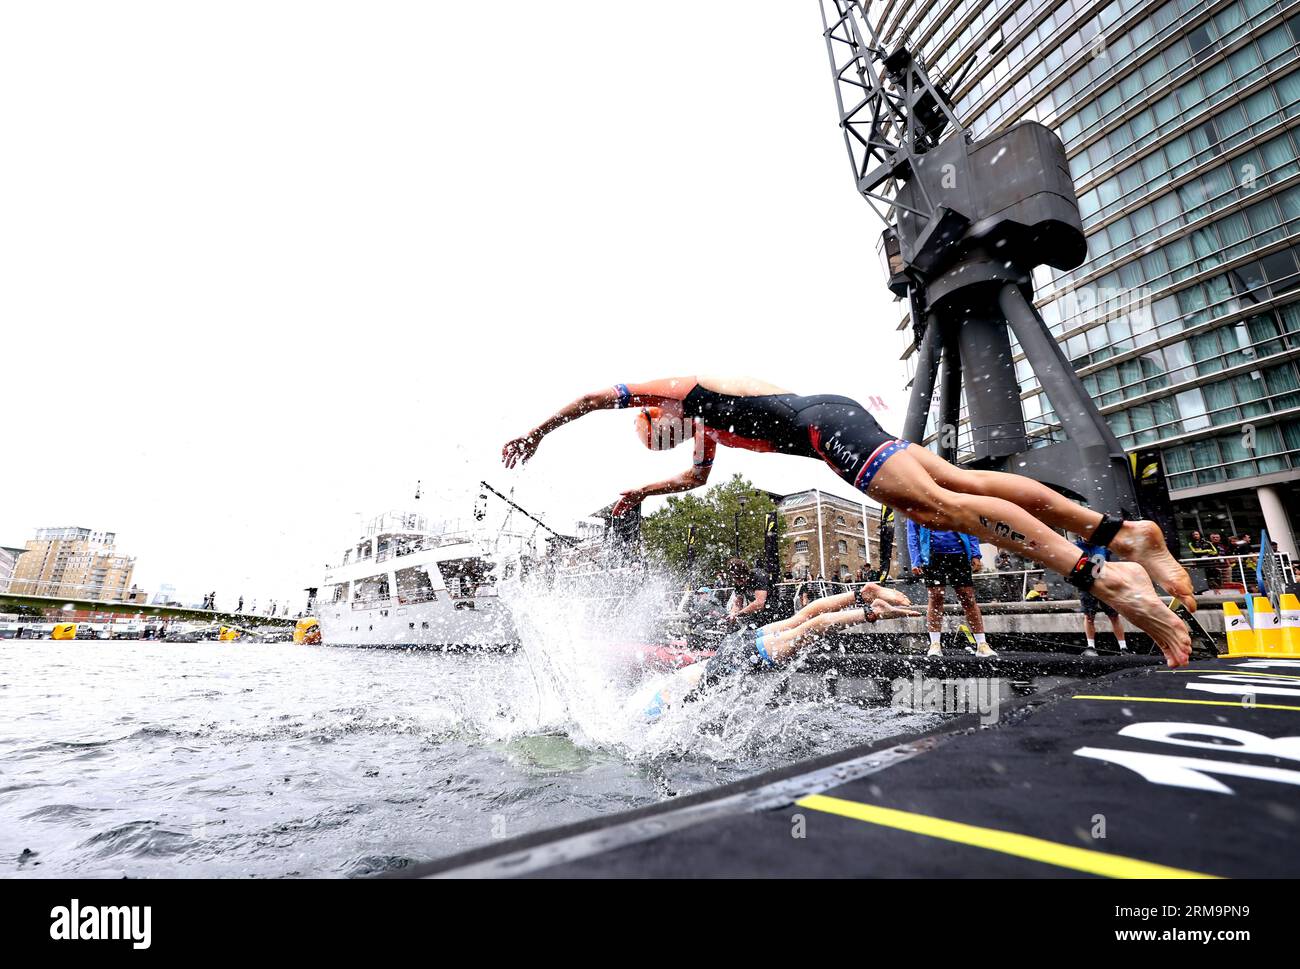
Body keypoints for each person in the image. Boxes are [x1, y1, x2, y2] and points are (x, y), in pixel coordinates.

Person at [503, 375, 1194, 666]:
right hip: (835, 418)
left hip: (825, 429)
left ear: (658, 413)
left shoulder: (680, 391)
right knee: (965, 481)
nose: (671, 443)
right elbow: (696, 480)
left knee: (942, 508)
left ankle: (1104, 578)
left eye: (661, 436)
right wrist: (641, 490)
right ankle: (1123, 534)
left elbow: (598, 396)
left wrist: (538, 431)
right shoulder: (706, 427)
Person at [644, 584, 921, 716]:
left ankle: (871, 611)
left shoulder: (666, 710)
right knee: (800, 618)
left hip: (739, 658)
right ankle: (861, 594)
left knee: (808, 629)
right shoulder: (661, 692)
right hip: (732, 647)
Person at [906, 519, 993, 658]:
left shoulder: (959, 504)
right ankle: (935, 644)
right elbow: (912, 534)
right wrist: (915, 560)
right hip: (931, 556)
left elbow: (969, 525)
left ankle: (982, 643)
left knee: (967, 597)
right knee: (936, 597)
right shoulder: (917, 506)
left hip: (959, 553)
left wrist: (975, 554)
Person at [1075, 536, 1127, 655]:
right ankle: (1090, 647)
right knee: (1089, 616)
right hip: (1086, 586)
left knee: (1114, 616)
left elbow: (1112, 564)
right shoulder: (1075, 547)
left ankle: (1123, 648)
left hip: (1104, 585)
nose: (1086, 536)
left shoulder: (1103, 546)